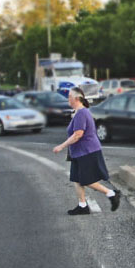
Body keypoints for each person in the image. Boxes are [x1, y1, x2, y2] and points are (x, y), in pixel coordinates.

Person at [52, 87, 121, 215]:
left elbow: (78, 134)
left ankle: (112, 194)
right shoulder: (78, 113)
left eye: (70, 97)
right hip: (79, 153)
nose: (68, 99)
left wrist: (61, 146)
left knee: (86, 180)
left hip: (87, 151)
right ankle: (82, 206)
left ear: (77, 99)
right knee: (77, 179)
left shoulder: (82, 113)